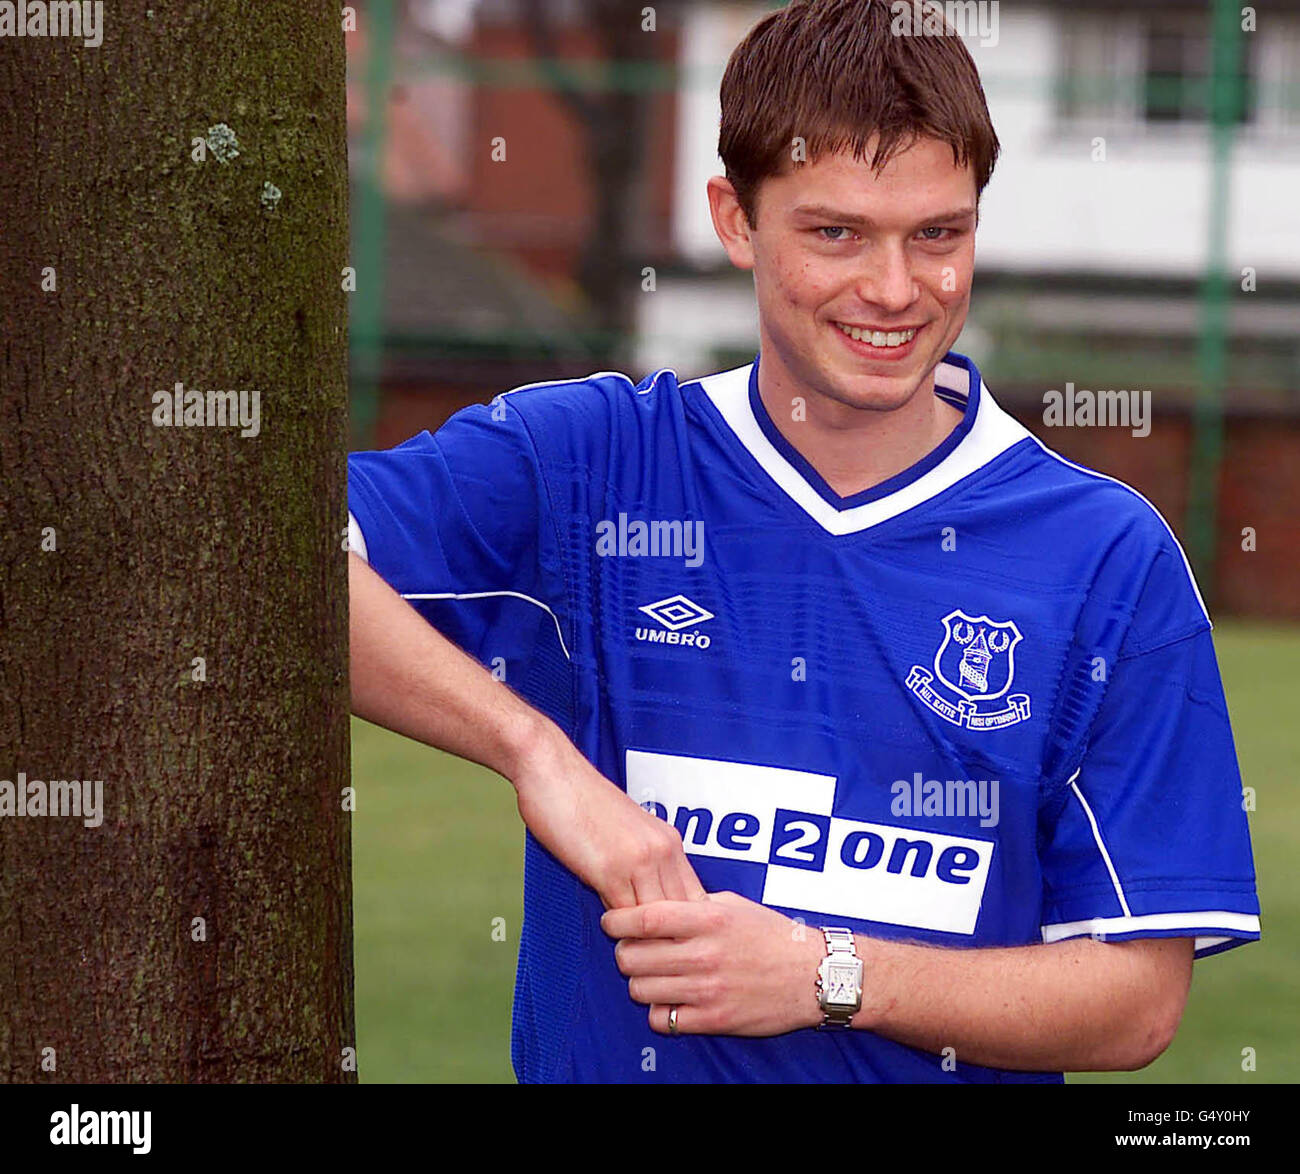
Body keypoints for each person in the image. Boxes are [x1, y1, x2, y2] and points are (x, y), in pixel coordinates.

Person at [346, 0, 1260, 1083]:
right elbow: (274, 569)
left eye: (938, 235)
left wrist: (825, 973)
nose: (893, 289)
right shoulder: (591, 460)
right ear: (734, 219)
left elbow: (1136, 1002)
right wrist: (533, 751)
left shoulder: (1105, 557)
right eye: (836, 233)